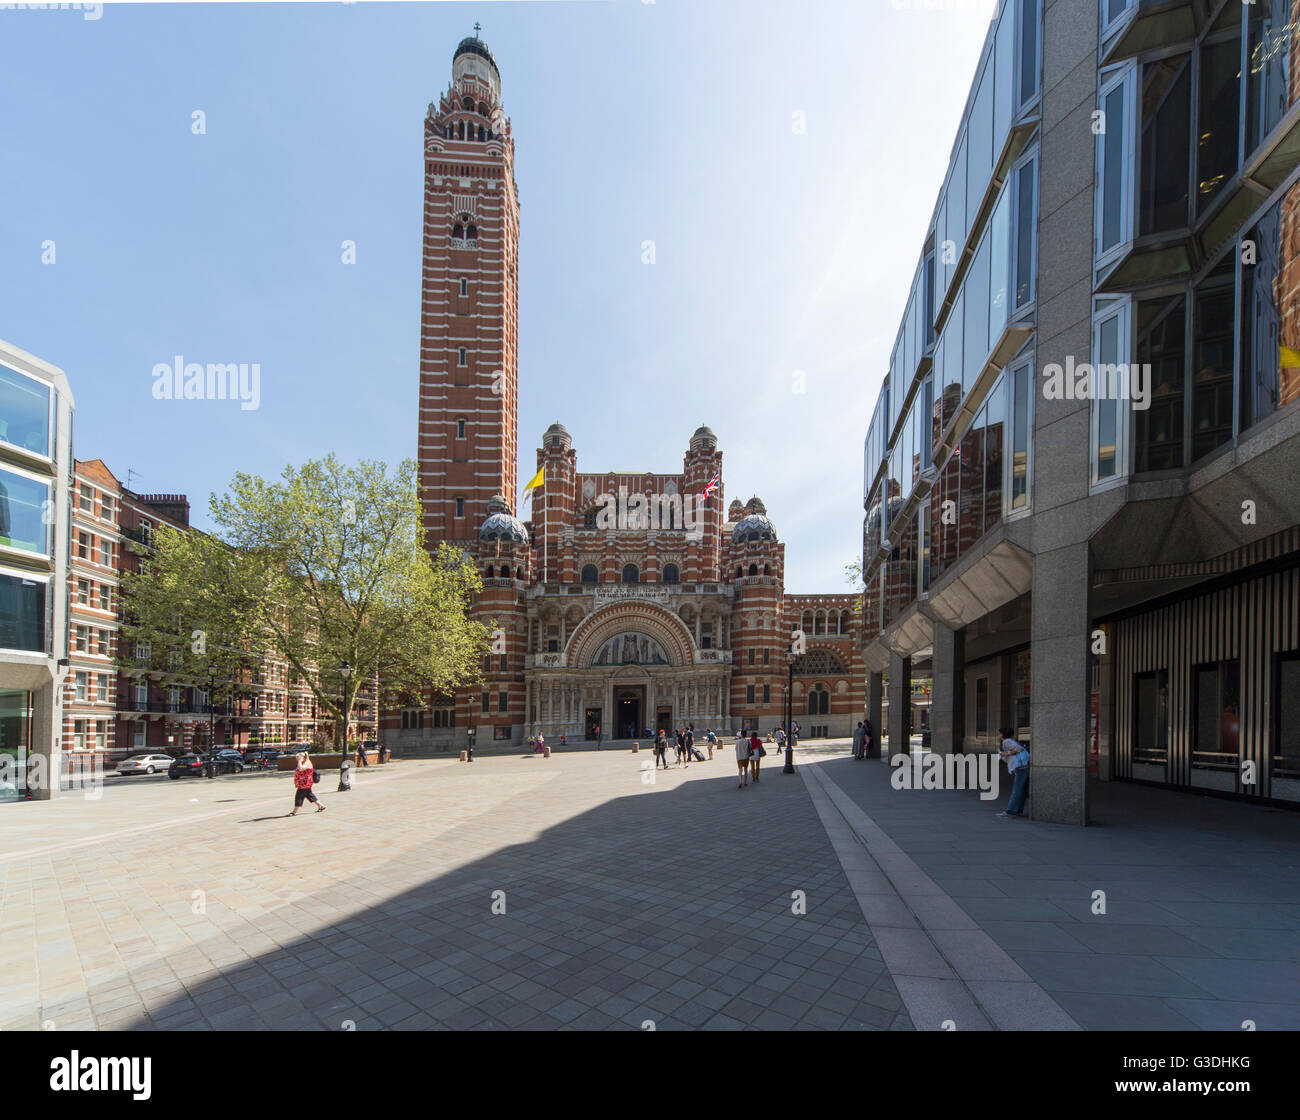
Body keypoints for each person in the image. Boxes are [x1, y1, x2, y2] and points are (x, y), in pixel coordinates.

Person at [997, 727, 1030, 818]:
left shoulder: (1006, 741)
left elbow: (1019, 748)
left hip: (1020, 768)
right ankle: (1018, 810)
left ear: (1003, 734)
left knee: (1017, 790)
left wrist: (1005, 754)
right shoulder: (1011, 740)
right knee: (1021, 790)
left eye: (1000, 733)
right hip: (1024, 767)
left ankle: (1010, 811)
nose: (999, 735)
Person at [289, 752, 325, 816]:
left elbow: (300, 769)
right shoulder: (303, 762)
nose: (297, 759)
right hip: (302, 783)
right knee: (309, 795)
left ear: (303, 758)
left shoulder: (307, 763)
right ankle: (321, 806)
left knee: (299, 796)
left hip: (305, 783)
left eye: (298, 758)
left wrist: (299, 761)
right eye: (296, 758)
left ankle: (295, 811)